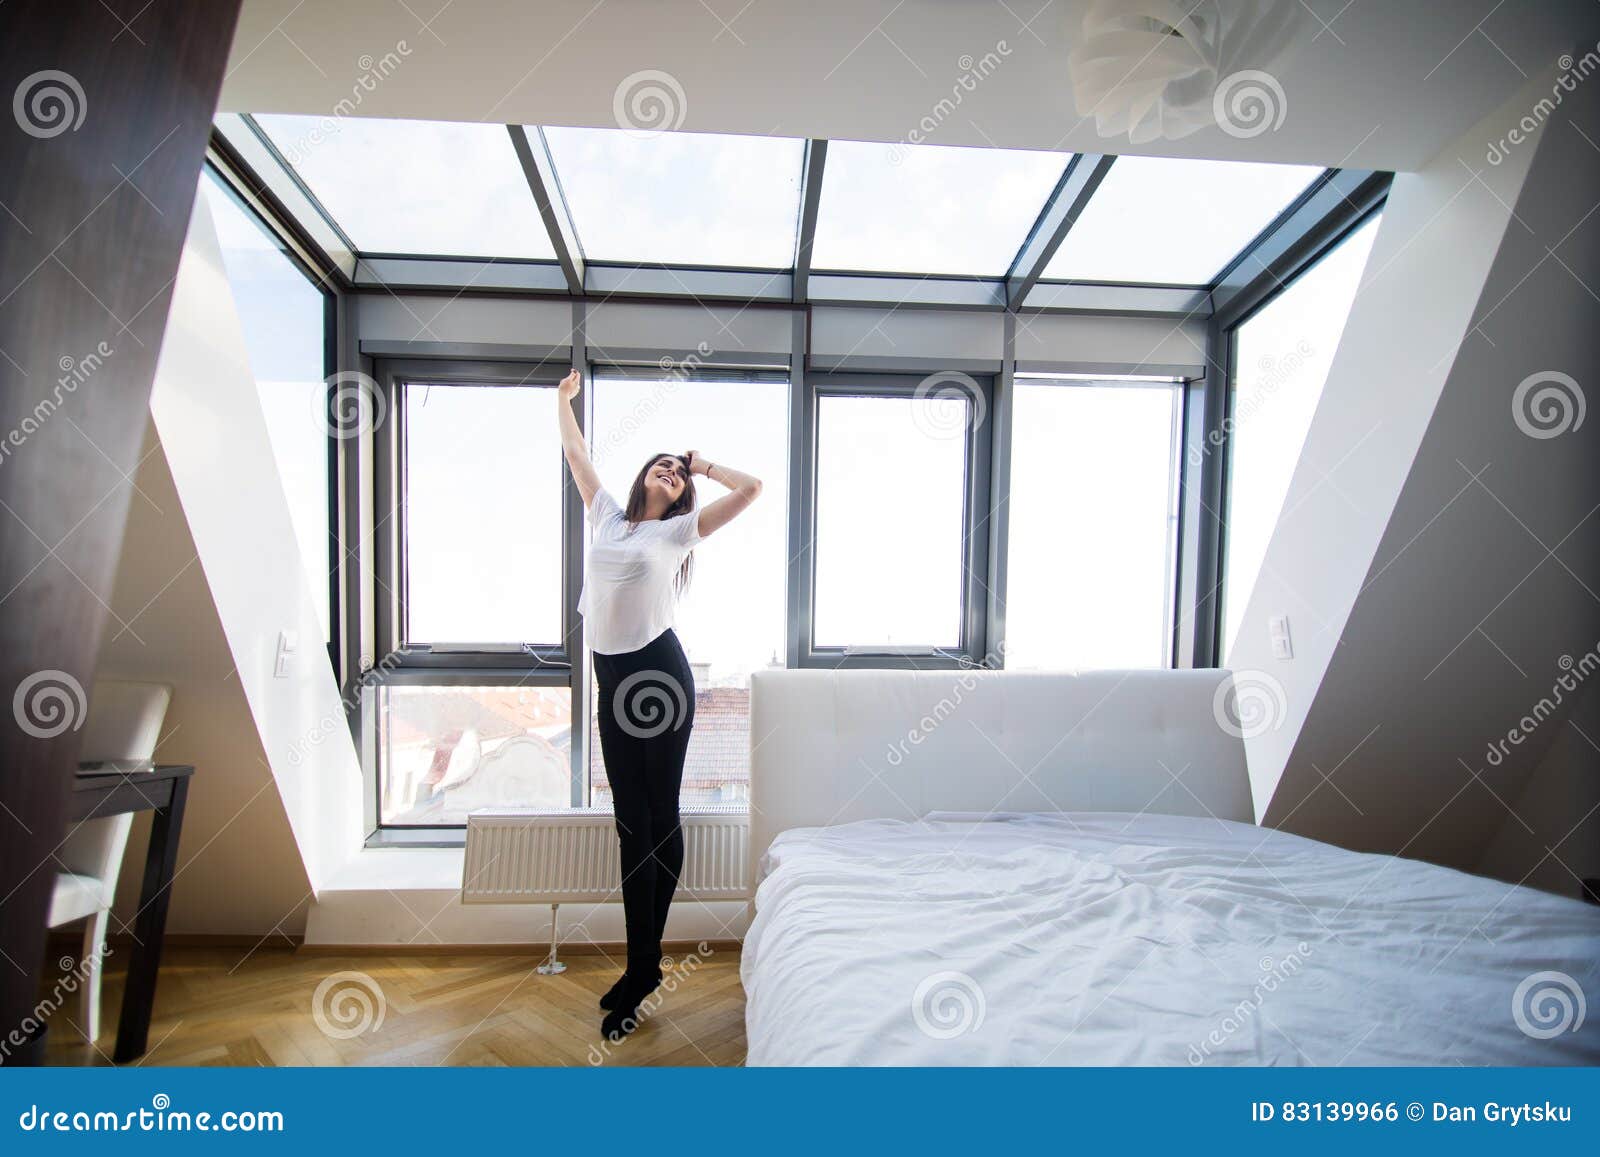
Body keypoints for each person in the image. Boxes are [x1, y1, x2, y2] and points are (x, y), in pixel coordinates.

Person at [556, 366, 763, 1041]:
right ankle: (642, 965)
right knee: (629, 823)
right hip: (612, 679)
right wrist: (562, 400)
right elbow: (577, 454)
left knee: (656, 815)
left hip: (658, 678)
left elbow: (753, 489)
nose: (672, 471)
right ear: (644, 474)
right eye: (664, 464)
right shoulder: (607, 517)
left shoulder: (677, 534)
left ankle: (642, 967)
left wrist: (705, 464)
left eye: (679, 472)